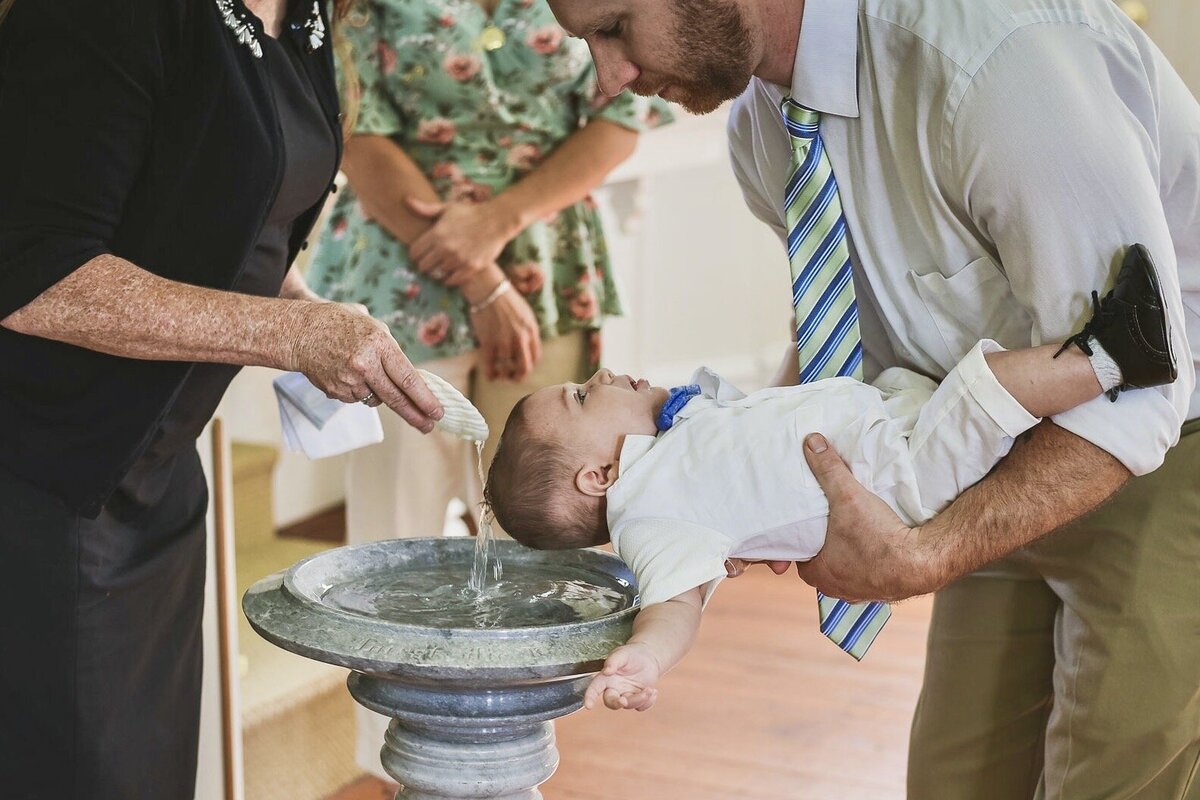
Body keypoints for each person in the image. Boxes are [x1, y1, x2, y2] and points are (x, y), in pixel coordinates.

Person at [544, 0, 1199, 794]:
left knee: (1119, 778)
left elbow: (1144, 381)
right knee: (956, 780)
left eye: (613, 28)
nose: (609, 79)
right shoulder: (764, 128)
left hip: (1165, 443)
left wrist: (928, 553)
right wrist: (762, 465)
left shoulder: (1001, 65)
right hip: (973, 447)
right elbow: (843, 318)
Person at [0, 1, 445, 797]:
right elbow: (35, 274)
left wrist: (306, 308)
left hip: (157, 473)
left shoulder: (303, 11)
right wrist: (287, 336)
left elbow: (230, 216)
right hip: (42, 475)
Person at [485, 246, 1177, 711]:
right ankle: (1120, 356)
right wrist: (644, 659)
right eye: (581, 396)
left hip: (882, 420)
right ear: (598, 477)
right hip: (896, 477)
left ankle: (1080, 381)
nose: (601, 376)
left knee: (954, 385)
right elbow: (675, 607)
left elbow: (766, 417)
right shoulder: (651, 515)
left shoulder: (675, 436)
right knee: (981, 390)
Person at [302, 0, 669, 781]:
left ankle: (511, 759)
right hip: (396, 266)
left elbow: (624, 116)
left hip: (549, 259)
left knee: (547, 535)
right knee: (392, 527)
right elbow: (358, 134)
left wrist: (496, 224)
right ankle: (395, 769)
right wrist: (478, 273)